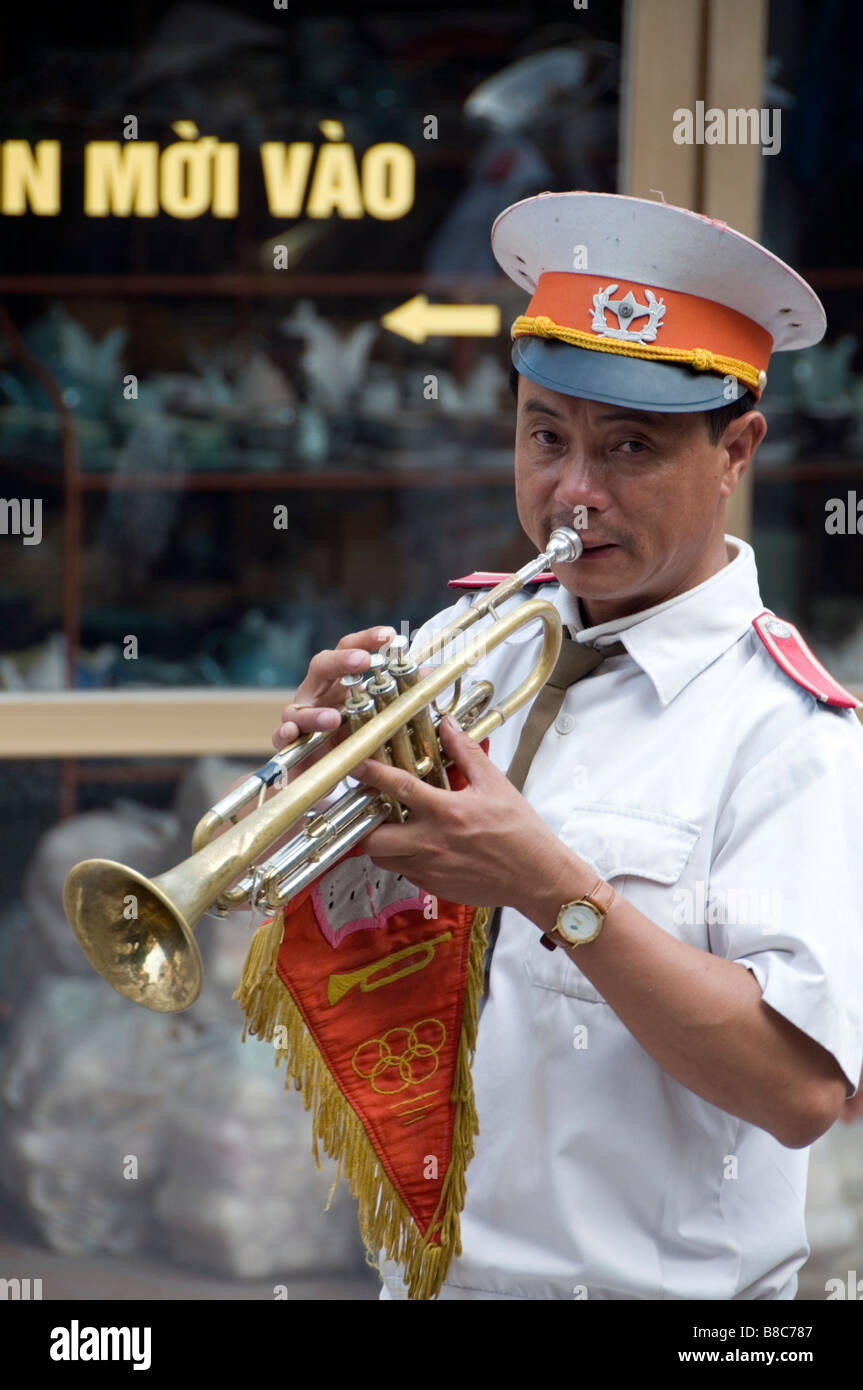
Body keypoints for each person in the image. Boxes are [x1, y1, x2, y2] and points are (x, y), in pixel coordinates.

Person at [270, 192, 863, 1300]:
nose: (572, 494)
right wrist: (314, 800)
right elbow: (376, 948)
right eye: (545, 435)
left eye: (629, 447)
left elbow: (798, 1092)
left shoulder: (790, 734)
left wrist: (554, 892)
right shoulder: (461, 643)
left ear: (735, 450)